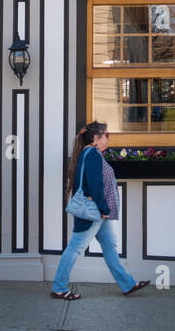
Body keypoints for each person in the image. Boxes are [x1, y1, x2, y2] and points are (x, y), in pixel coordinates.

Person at [51, 121, 149, 300]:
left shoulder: (89, 153)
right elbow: (96, 185)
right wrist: (104, 208)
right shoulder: (93, 154)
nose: (108, 139)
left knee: (109, 245)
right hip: (94, 212)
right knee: (75, 247)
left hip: (97, 211)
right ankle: (59, 287)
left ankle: (127, 284)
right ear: (96, 138)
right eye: (106, 136)